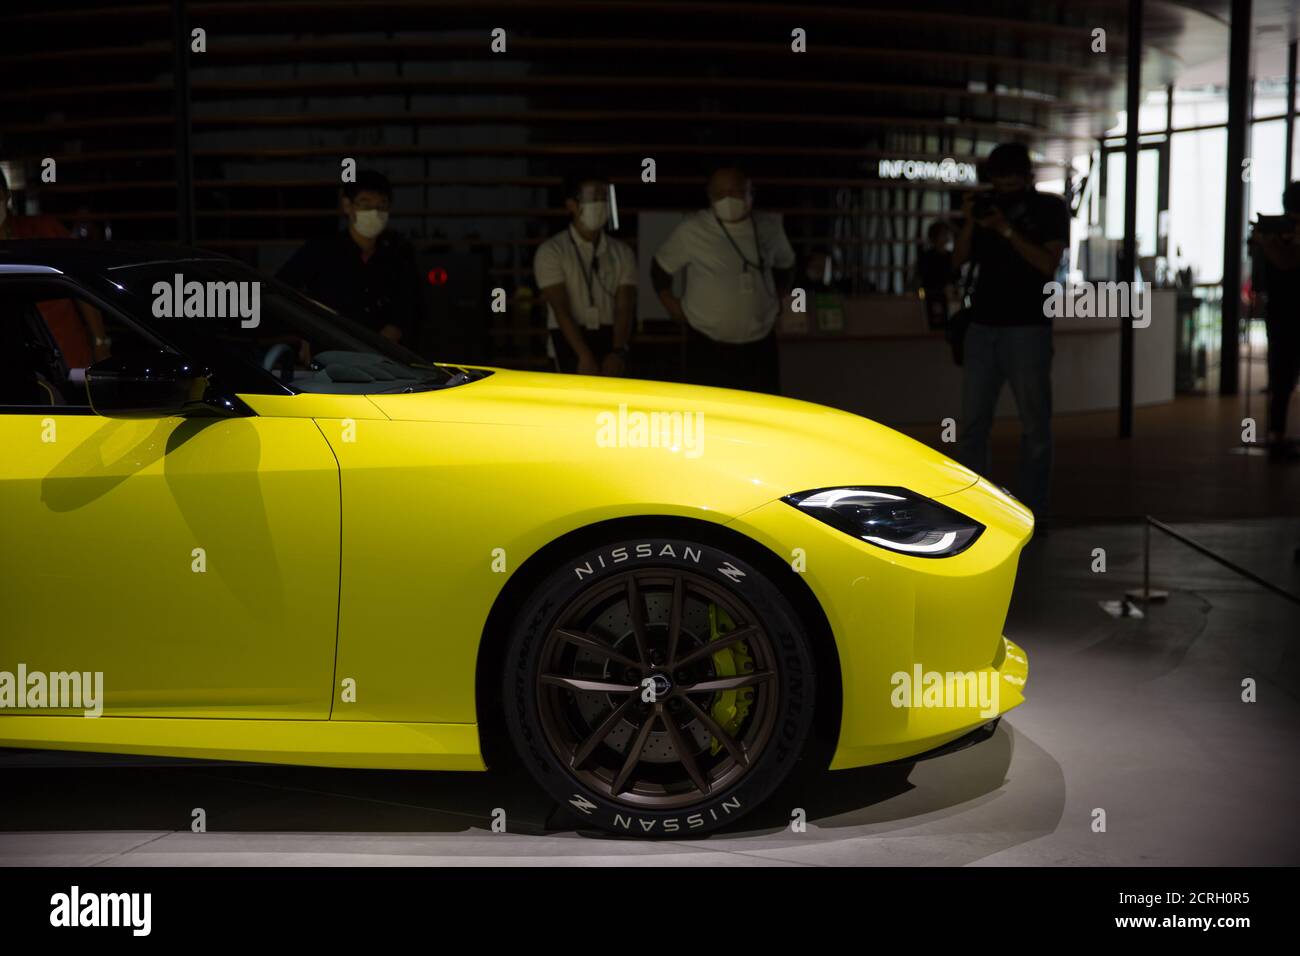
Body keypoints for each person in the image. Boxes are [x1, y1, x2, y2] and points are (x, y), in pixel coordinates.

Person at [951, 143, 1069, 519]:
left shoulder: (1049, 208)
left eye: (1010, 182)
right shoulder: (985, 206)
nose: (1002, 190)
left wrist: (1005, 229)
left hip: (1028, 329)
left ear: (1027, 178)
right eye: (996, 183)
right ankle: (974, 510)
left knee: (1035, 426)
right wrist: (972, 220)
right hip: (982, 328)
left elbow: (1048, 265)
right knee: (972, 425)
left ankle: (1034, 511)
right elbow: (958, 260)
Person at [651, 166, 795, 393]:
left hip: (759, 343)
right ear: (709, 196)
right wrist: (672, 306)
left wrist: (777, 298)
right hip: (707, 345)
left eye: (735, 191)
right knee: (709, 415)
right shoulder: (693, 229)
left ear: (750, 191)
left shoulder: (769, 226)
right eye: (719, 193)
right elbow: (659, 269)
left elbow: (787, 265)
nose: (727, 199)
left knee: (761, 414)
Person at [277, 169, 420, 344]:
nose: (374, 212)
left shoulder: (399, 254)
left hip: (384, 359)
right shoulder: (321, 250)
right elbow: (283, 290)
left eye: (381, 205)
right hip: (329, 352)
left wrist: (393, 332)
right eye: (365, 204)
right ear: (347, 205)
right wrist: (306, 333)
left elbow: (409, 307)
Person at [0, 166, 109, 369]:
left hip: (66, 355)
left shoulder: (44, 231)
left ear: (6, 196)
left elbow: (83, 283)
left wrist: (100, 341)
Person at [533, 177, 637, 375]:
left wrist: (616, 352)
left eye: (604, 197)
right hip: (567, 339)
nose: (600, 203)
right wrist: (584, 356)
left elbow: (625, 307)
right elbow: (560, 308)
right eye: (593, 197)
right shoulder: (551, 251)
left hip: (610, 337)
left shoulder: (622, 252)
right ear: (572, 205)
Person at [1248, 181, 1300, 463]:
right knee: (1283, 379)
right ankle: (1277, 436)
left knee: (1281, 378)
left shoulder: (1268, 236)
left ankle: (1276, 433)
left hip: (1278, 315)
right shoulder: (1279, 238)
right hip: (1287, 315)